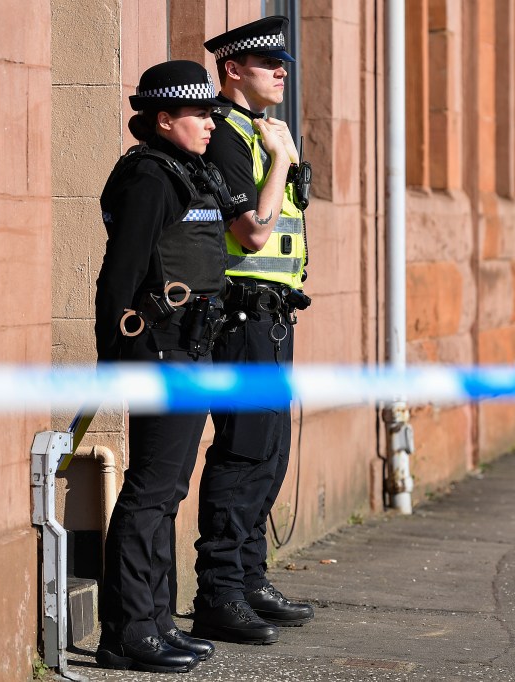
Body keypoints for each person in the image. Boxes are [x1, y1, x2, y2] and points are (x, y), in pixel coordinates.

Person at [94, 60, 232, 673]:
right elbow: (120, 276)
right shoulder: (148, 178)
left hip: (192, 346)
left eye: (211, 113)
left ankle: (155, 621)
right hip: (159, 351)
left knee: (167, 491)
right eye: (199, 114)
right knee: (150, 493)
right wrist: (115, 354)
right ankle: (126, 632)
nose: (210, 124)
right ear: (163, 119)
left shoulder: (189, 172)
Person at [190, 16, 315, 646]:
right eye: (270, 63)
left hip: (273, 315)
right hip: (239, 317)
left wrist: (279, 151)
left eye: (283, 63)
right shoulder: (226, 136)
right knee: (241, 454)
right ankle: (219, 593)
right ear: (233, 69)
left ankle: (249, 577)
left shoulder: (259, 131)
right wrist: (278, 159)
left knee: (270, 451)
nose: (282, 71)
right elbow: (254, 233)